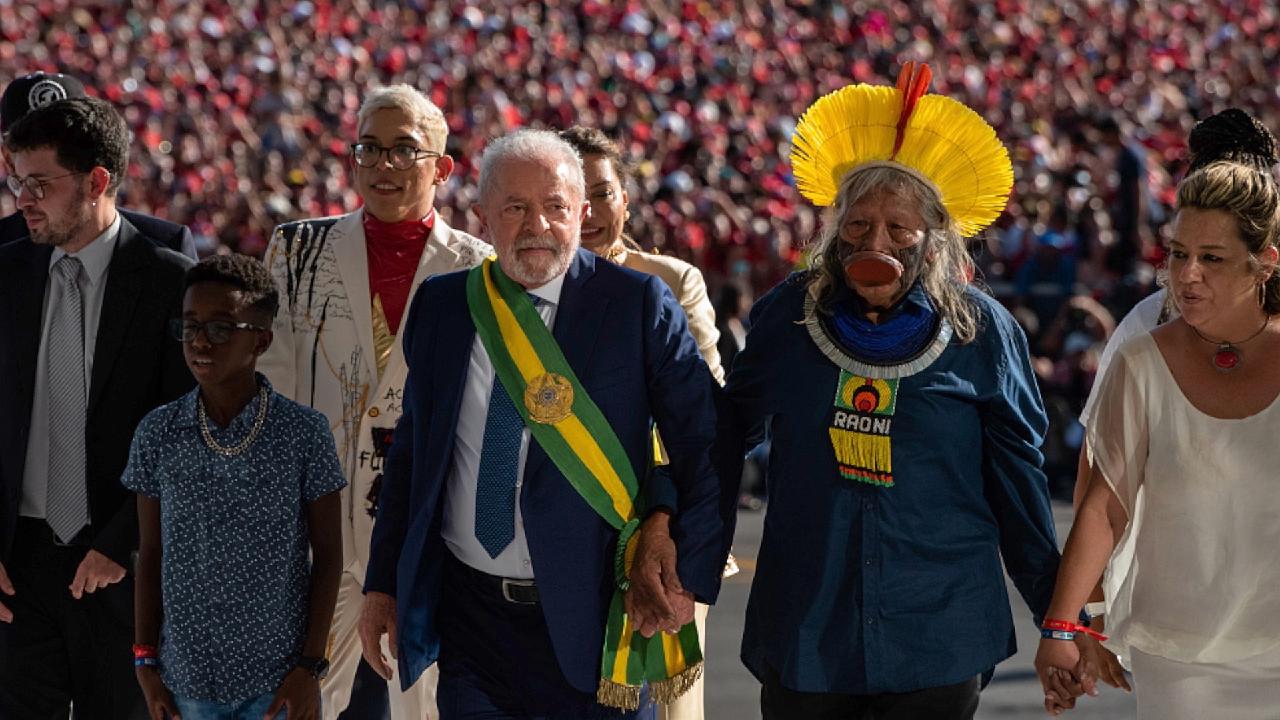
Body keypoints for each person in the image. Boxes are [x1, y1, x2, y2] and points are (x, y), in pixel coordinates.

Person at [713, 63, 1065, 719]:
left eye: (899, 229)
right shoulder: (788, 320)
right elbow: (726, 438)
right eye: (857, 225)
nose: (876, 243)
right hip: (806, 635)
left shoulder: (985, 334)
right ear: (833, 230)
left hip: (939, 632)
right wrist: (691, 565)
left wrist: (1061, 618)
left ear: (934, 237)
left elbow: (1021, 486)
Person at [358, 129, 727, 718]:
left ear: (582, 212)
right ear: (483, 216)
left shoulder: (638, 305)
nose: (538, 226)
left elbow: (703, 445)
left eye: (555, 207)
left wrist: (686, 572)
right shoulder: (444, 306)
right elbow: (412, 453)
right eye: (515, 208)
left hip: (599, 615)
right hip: (469, 621)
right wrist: (381, 583)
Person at [1036, 111, 1280, 718]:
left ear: (1264, 256)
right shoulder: (1142, 345)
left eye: (1214, 258)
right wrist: (1077, 622)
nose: (1189, 273)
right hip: (1177, 645)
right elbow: (1102, 494)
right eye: (1178, 253)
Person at [258, 83, 491, 720]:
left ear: (442, 167)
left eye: (404, 150)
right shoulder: (297, 251)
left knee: (432, 709)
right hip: (315, 533)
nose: (384, 165)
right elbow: (269, 389)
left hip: (430, 534)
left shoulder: (480, 270)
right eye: (370, 149)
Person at [0, 96, 194, 717]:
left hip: (123, 569)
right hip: (16, 568)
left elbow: (184, 433)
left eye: (38, 183)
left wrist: (121, 543)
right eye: (15, 180)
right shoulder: (5, 276)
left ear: (97, 181)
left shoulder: (172, 281)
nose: (21, 198)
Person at [126, 255, 345, 720]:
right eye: (189, 327)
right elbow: (150, 551)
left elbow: (328, 557)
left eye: (222, 328)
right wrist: (146, 665)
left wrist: (309, 668)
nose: (201, 342)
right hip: (187, 683)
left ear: (261, 339)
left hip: (279, 684)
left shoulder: (303, 433)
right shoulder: (158, 432)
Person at [558, 124, 727, 720]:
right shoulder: (516, 293)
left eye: (602, 192)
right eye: (572, 194)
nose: (589, 210)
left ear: (627, 200)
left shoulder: (673, 282)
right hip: (557, 527)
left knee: (674, 705)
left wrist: (663, 511)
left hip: (666, 521)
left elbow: (706, 413)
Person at [0, 72, 197, 259]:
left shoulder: (166, 247)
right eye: (25, 142)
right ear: (7, 156)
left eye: (67, 137)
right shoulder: (4, 247)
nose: (46, 149)